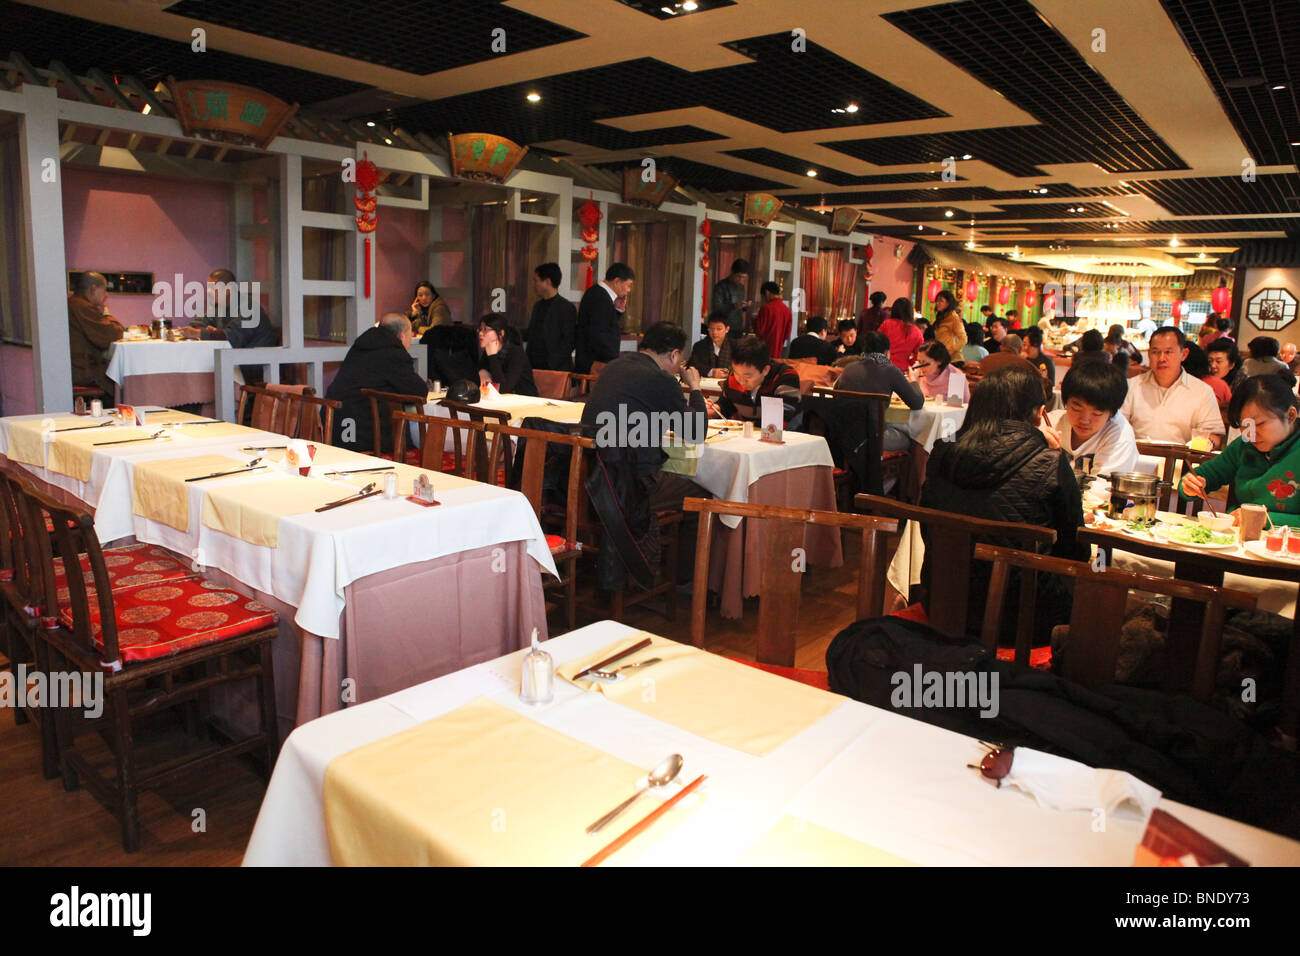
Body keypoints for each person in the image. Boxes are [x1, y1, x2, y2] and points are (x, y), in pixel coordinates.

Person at [919, 364, 1086, 639]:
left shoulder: (942, 454)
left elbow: (928, 530)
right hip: (1025, 620)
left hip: (943, 603)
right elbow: (1076, 552)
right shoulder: (1049, 463)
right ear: (1037, 414)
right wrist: (1049, 451)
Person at [580, 322, 710, 584]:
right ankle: (683, 582)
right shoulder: (660, 379)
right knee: (703, 497)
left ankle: (655, 567)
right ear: (673, 355)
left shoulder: (615, 366)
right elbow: (696, 432)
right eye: (679, 359)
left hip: (593, 477)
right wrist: (695, 387)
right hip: (629, 486)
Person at [1182, 375, 1300, 527]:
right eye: (1245, 426)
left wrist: (1263, 519)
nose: (1250, 434)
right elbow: (1203, 475)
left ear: (1290, 415)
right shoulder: (1244, 446)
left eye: (1260, 424)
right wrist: (1190, 485)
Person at [326, 313, 428, 453]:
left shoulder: (362, 345)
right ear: (403, 335)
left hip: (335, 421)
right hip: (363, 430)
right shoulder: (393, 352)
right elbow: (419, 392)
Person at [1120, 326, 1225, 447]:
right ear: (1149, 354)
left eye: (1168, 352)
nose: (1161, 358)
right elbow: (1117, 427)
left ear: (1184, 354)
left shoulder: (1202, 391)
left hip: (1181, 461)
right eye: (1156, 352)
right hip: (1137, 459)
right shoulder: (1131, 386)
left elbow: (1213, 434)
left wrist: (1203, 445)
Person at [1043, 361, 1138, 477]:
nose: (1084, 420)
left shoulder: (1120, 437)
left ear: (1112, 412)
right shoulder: (1050, 423)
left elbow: (1102, 491)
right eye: (1076, 408)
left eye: (1096, 413)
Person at [836, 331, 923, 450]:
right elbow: (917, 403)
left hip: (843, 434)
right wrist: (913, 380)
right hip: (873, 437)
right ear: (887, 352)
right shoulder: (891, 371)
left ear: (865, 350)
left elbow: (836, 392)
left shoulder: (849, 368)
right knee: (915, 440)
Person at [716, 335, 802, 423]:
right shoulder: (733, 378)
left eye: (747, 376)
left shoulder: (785, 377)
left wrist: (748, 427)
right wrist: (715, 409)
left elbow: (780, 420)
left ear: (765, 370)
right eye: (736, 373)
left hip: (788, 434)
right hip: (750, 433)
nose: (740, 381)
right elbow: (726, 405)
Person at [68, 271, 125, 399]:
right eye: (104, 291)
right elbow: (114, 334)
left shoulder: (75, 303)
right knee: (123, 378)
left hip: (78, 366)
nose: (105, 296)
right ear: (93, 289)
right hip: (83, 370)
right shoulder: (82, 306)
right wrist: (106, 314)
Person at [575, 262, 634, 373]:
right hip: (595, 364)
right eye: (628, 285)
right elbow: (598, 333)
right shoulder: (599, 297)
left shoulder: (599, 294)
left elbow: (606, 324)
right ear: (617, 281)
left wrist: (618, 310)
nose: (628, 290)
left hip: (596, 361)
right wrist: (612, 357)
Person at [523, 262, 576, 371]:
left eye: (536, 280)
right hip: (534, 367)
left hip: (555, 370)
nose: (534, 284)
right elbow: (532, 333)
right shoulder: (537, 306)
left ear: (547, 282)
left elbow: (569, 341)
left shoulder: (566, 307)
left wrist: (552, 363)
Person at [477, 314, 536, 395]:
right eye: (480, 329)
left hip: (525, 400)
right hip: (503, 401)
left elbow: (503, 389)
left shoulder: (516, 353)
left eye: (485, 329)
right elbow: (480, 366)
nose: (480, 333)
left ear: (501, 333)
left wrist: (492, 357)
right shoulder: (488, 351)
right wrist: (482, 370)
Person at [880, 297, 924, 372]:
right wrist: (909, 363)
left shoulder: (887, 324)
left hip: (884, 367)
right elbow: (919, 355)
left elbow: (876, 343)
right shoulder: (917, 332)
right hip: (903, 370)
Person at [752, 281, 792, 360]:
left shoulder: (766, 308)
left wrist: (754, 320)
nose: (763, 299)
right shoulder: (787, 310)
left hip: (764, 350)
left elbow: (760, 331)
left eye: (763, 296)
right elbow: (787, 335)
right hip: (778, 351)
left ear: (767, 293)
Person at [711, 258, 751, 337]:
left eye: (743, 278)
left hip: (738, 328)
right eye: (739, 276)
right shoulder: (721, 286)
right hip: (724, 329)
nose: (741, 280)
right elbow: (716, 308)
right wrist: (734, 306)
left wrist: (745, 306)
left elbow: (739, 309)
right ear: (732, 272)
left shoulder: (741, 287)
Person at [688, 312, 733, 377]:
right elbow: (692, 365)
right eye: (711, 329)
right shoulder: (700, 346)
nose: (714, 332)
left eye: (719, 329)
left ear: (727, 329)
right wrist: (711, 372)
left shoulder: (735, 346)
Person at [1021, 327, 1057, 400]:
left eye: (1025, 344)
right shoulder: (1022, 360)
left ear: (1035, 345)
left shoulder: (1047, 362)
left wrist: (1044, 379)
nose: (1023, 348)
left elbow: (1050, 390)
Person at [931, 290, 967, 357]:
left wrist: (950, 351)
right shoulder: (942, 317)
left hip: (951, 359)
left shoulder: (954, 318)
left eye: (941, 301)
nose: (937, 303)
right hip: (940, 355)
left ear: (948, 303)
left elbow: (963, 339)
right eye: (937, 301)